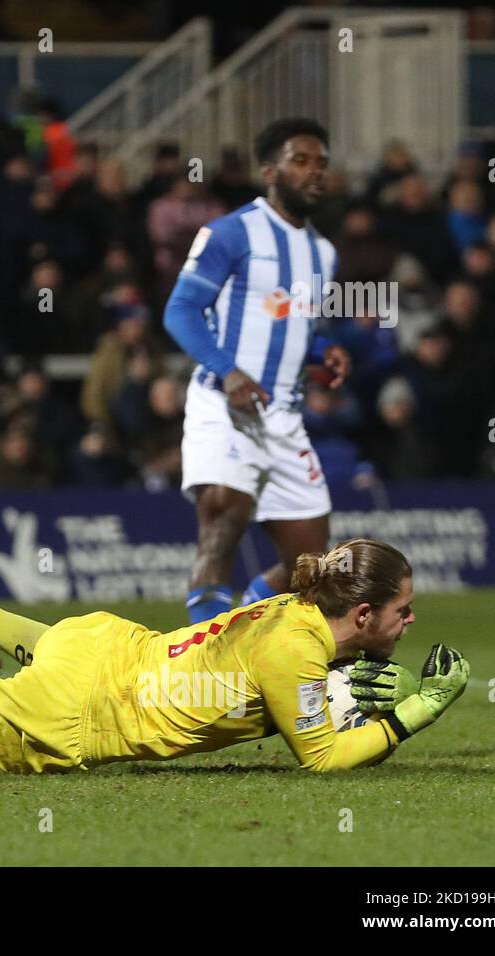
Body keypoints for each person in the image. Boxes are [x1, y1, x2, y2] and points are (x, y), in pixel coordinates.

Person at [0, 540, 470, 774]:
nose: (411, 622)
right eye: (403, 611)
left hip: (108, 646)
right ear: (362, 614)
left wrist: (335, 677)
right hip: (82, 715)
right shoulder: (296, 655)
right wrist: (414, 713)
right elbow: (325, 758)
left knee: (46, 643)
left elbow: (282, 681)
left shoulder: (296, 611)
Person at [163, 117, 352, 625]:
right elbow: (180, 311)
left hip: (284, 419)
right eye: (301, 160)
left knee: (309, 569)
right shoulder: (231, 232)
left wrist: (321, 354)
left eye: (322, 163)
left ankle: (244, 615)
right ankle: (200, 672)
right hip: (224, 404)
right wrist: (228, 372)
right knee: (223, 519)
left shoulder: (324, 252)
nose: (316, 172)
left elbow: (290, 323)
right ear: (270, 170)